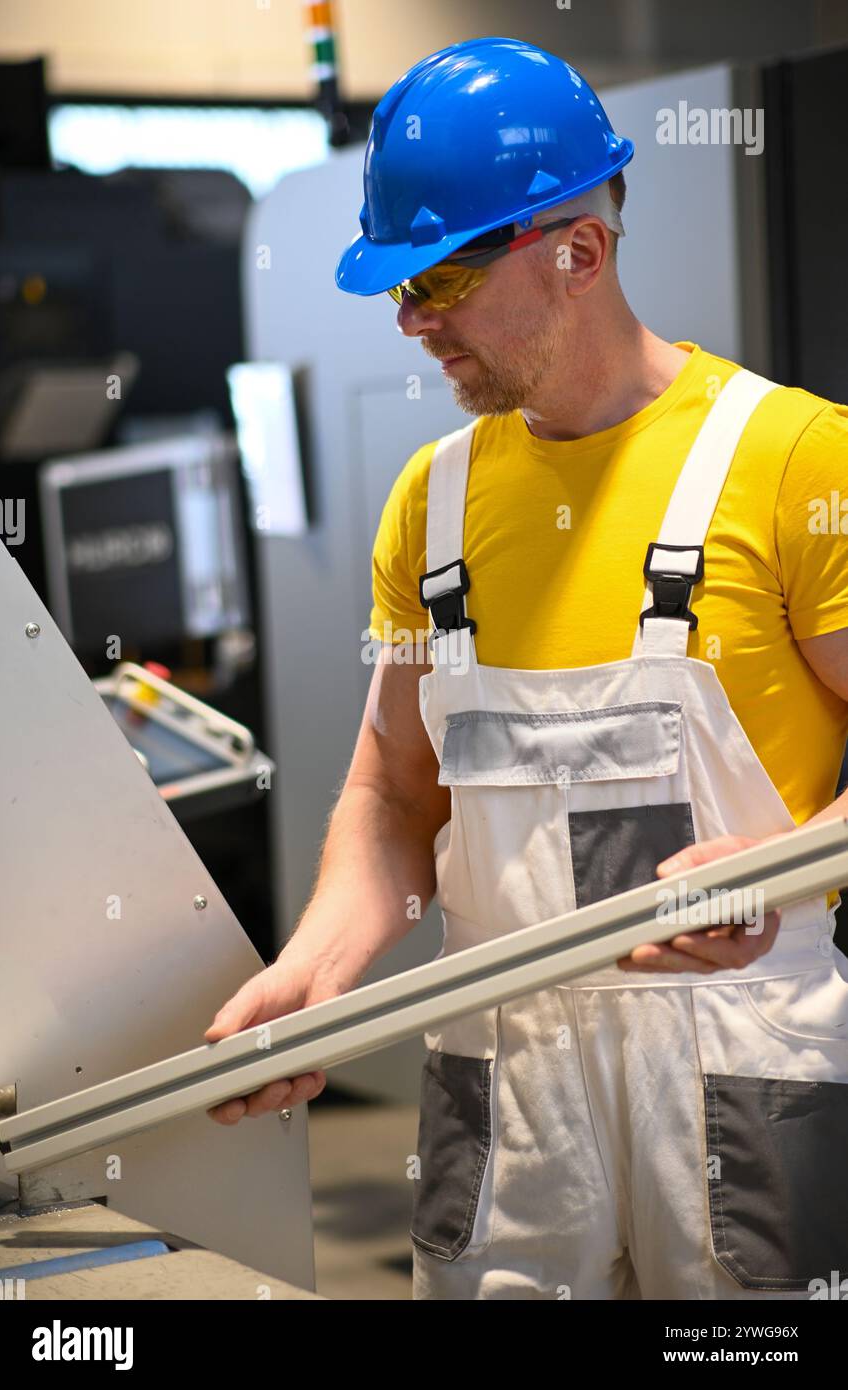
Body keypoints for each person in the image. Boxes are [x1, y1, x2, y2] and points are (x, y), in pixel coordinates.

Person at [206, 37, 848, 1299]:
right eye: (399, 285)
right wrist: (315, 976)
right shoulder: (429, 507)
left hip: (736, 1070)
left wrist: (787, 866)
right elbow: (394, 793)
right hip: (505, 1082)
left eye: (439, 277)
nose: (408, 320)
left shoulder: (789, 460)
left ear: (579, 251)